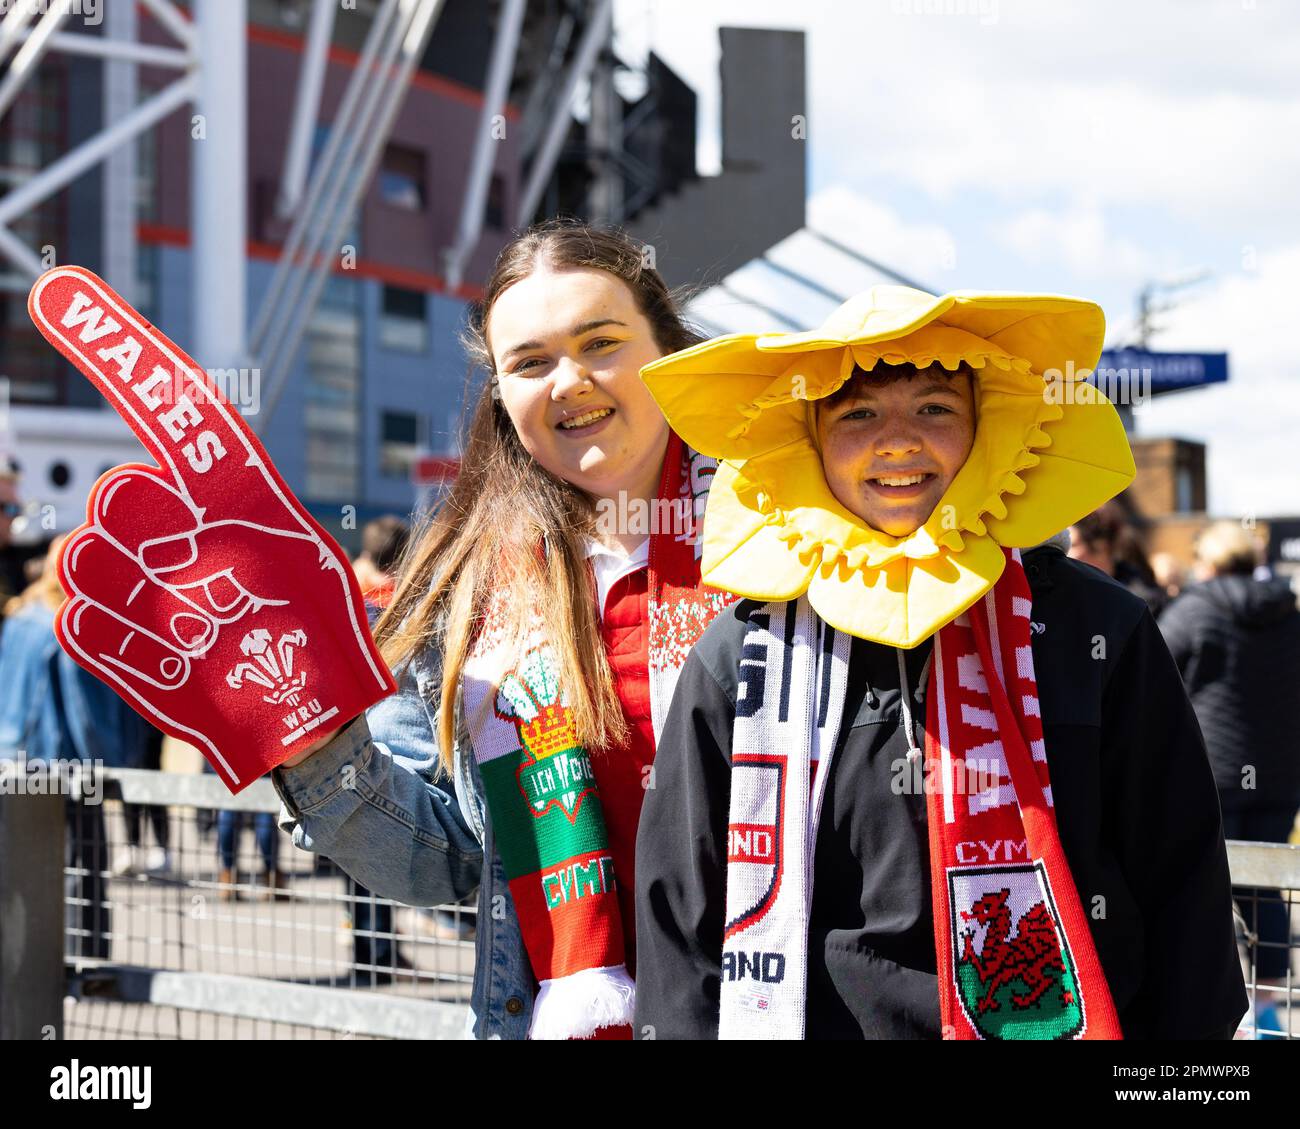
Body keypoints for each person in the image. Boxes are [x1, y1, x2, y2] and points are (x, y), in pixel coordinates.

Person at [633, 286, 1248, 1040]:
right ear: (809, 439)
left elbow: (1181, 888)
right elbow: (679, 929)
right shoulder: (739, 656)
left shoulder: (1099, 629)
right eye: (857, 413)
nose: (897, 442)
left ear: (988, 426)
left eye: (934, 408)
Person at [271, 220, 734, 1037]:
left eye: (600, 342)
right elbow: (445, 854)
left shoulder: (785, 540)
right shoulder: (465, 586)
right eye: (530, 362)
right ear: (500, 392)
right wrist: (309, 744)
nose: (569, 381)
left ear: (668, 350)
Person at [1159, 520, 1300, 1038]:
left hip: (1213, 769)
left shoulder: (1195, 610)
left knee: (1207, 883)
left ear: (1209, 562)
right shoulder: (1289, 612)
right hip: (1281, 771)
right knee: (1267, 884)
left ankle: (1218, 1006)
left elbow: (1152, 670)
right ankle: (1267, 1005)